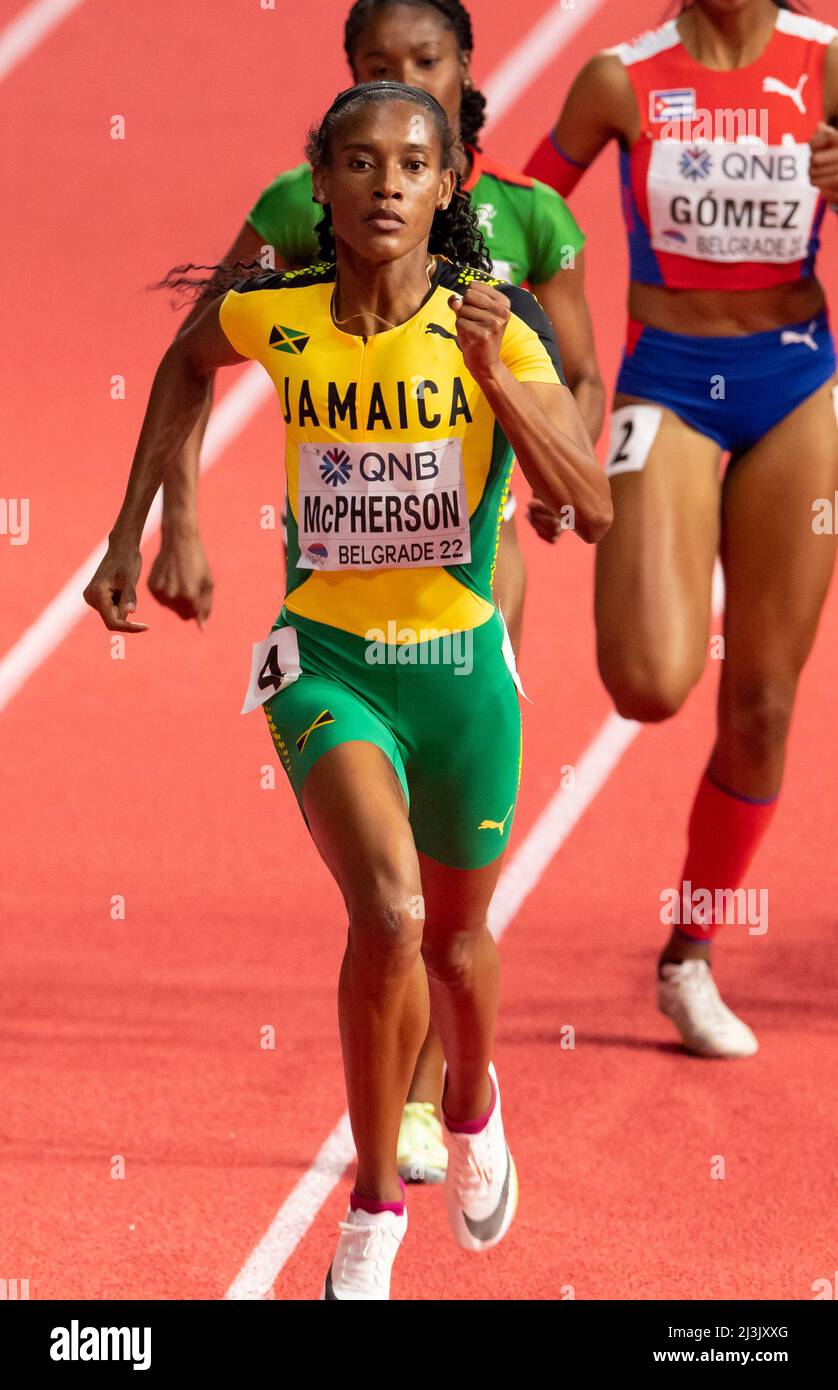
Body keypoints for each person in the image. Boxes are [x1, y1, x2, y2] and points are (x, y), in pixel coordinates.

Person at [84, 82, 612, 1299]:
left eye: (412, 164)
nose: (385, 183)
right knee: (388, 916)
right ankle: (372, 1209)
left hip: (461, 672)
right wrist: (134, 532)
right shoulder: (278, 316)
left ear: (447, 187)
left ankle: (472, 1103)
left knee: (463, 942)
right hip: (325, 661)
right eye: (359, 163)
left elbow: (592, 501)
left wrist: (505, 381)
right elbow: (182, 361)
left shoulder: (494, 322)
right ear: (315, 184)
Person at [526, 0, 838, 1057]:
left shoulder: (826, 65)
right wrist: (563, 383)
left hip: (795, 377)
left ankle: (690, 952)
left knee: (760, 700)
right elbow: (520, 218)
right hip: (665, 381)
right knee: (649, 683)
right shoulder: (620, 78)